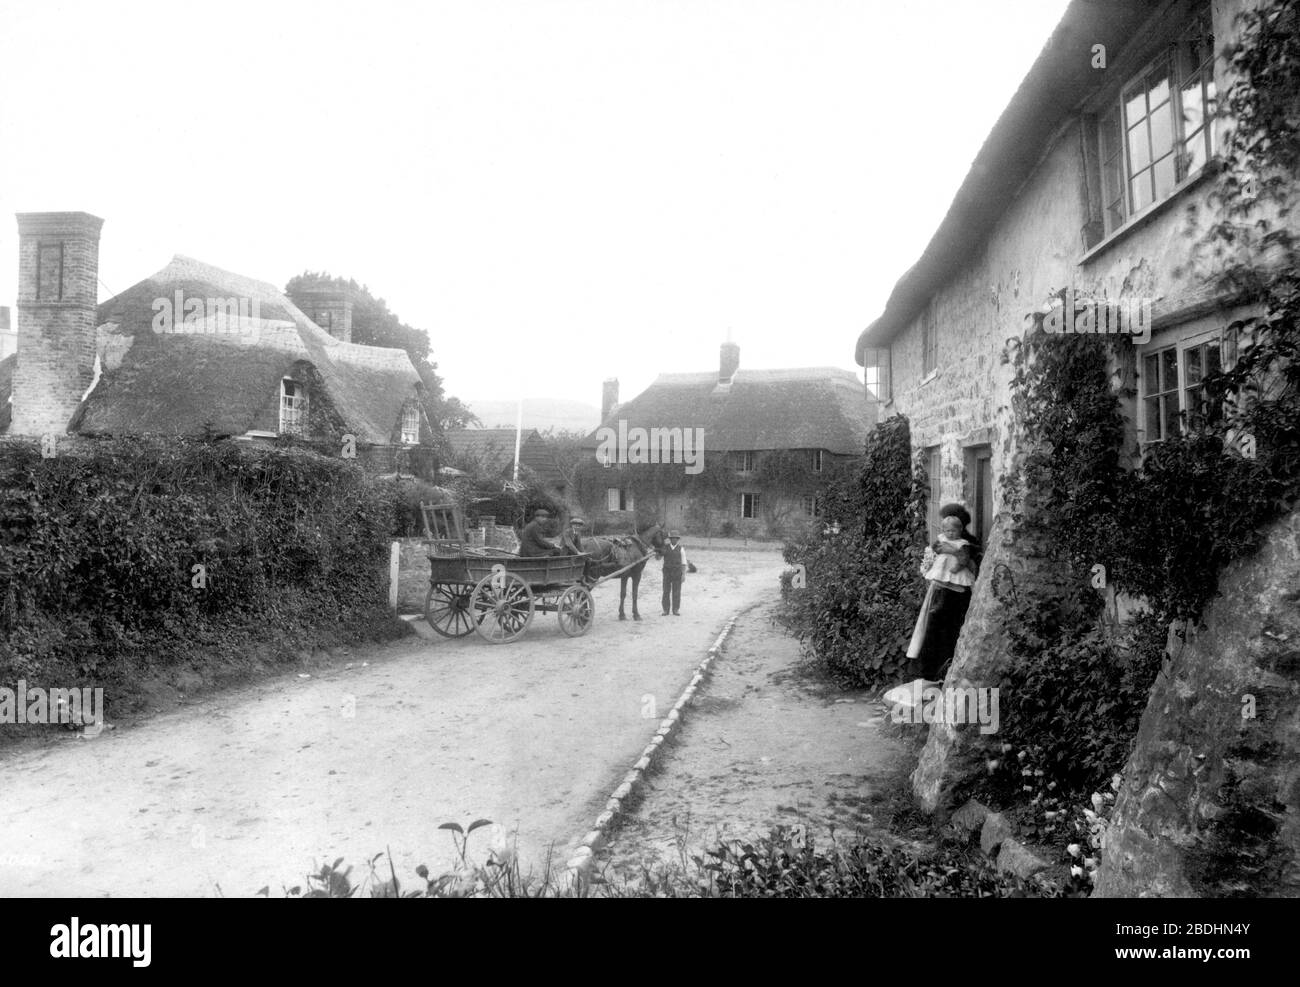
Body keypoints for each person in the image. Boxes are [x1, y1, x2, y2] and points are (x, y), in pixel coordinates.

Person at [907, 503, 981, 682]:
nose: (949, 532)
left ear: (960, 526)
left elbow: (971, 566)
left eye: (953, 528)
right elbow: (931, 560)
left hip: (956, 592)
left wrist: (956, 553)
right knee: (938, 629)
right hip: (944, 588)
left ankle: (938, 671)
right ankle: (931, 672)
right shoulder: (942, 541)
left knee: (942, 628)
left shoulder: (967, 544)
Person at [660, 530, 696, 616]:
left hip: (677, 572)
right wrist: (658, 551)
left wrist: (683, 574)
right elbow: (658, 557)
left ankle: (675, 609)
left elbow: (683, 563)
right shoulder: (665, 547)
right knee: (666, 591)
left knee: (676, 592)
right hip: (667, 572)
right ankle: (666, 610)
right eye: (672, 538)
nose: (674, 540)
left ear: (677, 539)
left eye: (675, 538)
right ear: (670, 539)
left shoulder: (681, 549)